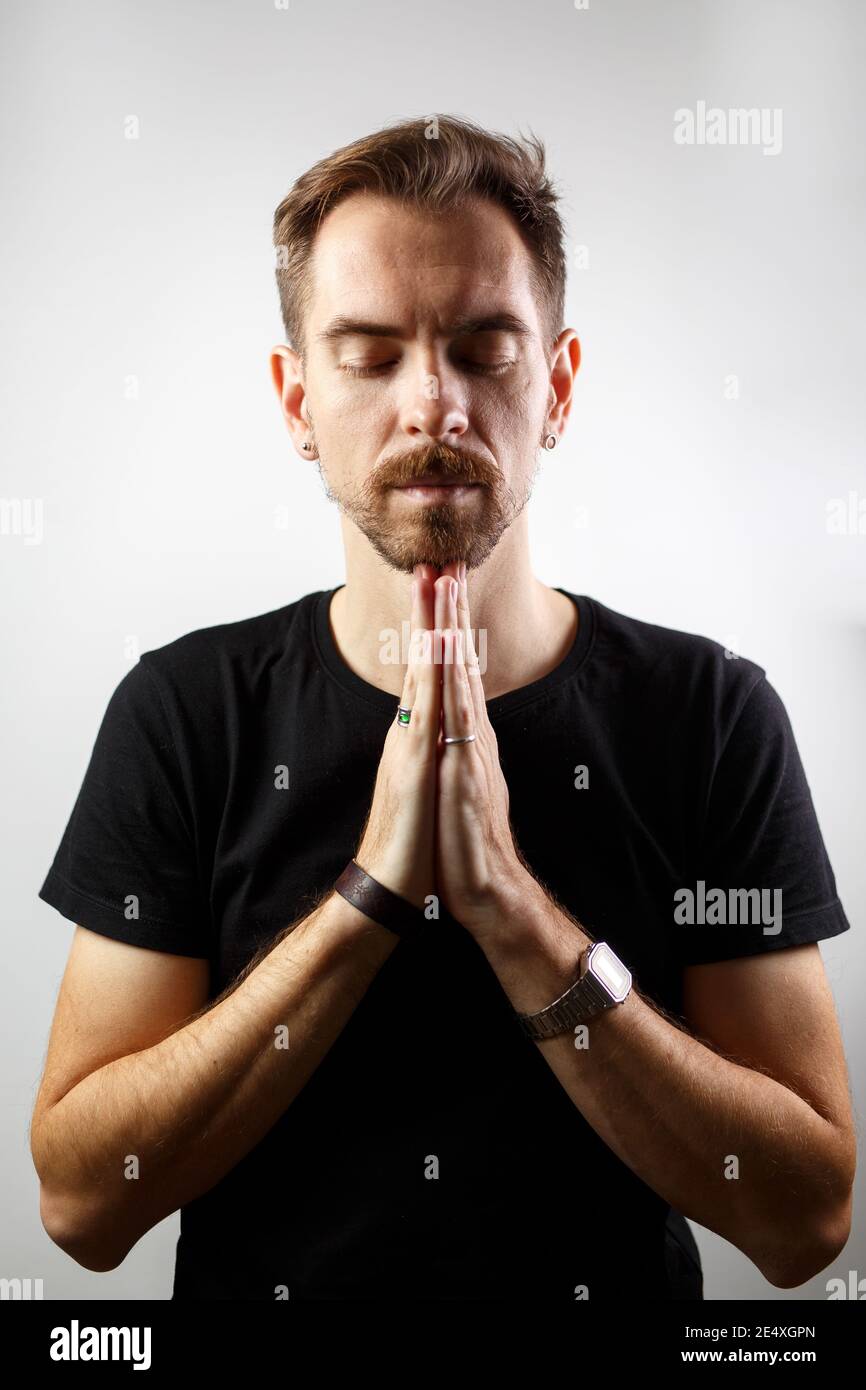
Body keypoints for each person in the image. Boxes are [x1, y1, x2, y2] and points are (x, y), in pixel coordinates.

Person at [32, 115, 855, 1301]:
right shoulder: (185, 710)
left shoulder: (710, 715)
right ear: (296, 400)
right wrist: (367, 895)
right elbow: (82, 1203)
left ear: (557, 384)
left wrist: (510, 909)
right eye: (367, 355)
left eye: (484, 348)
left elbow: (803, 1220)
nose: (434, 404)